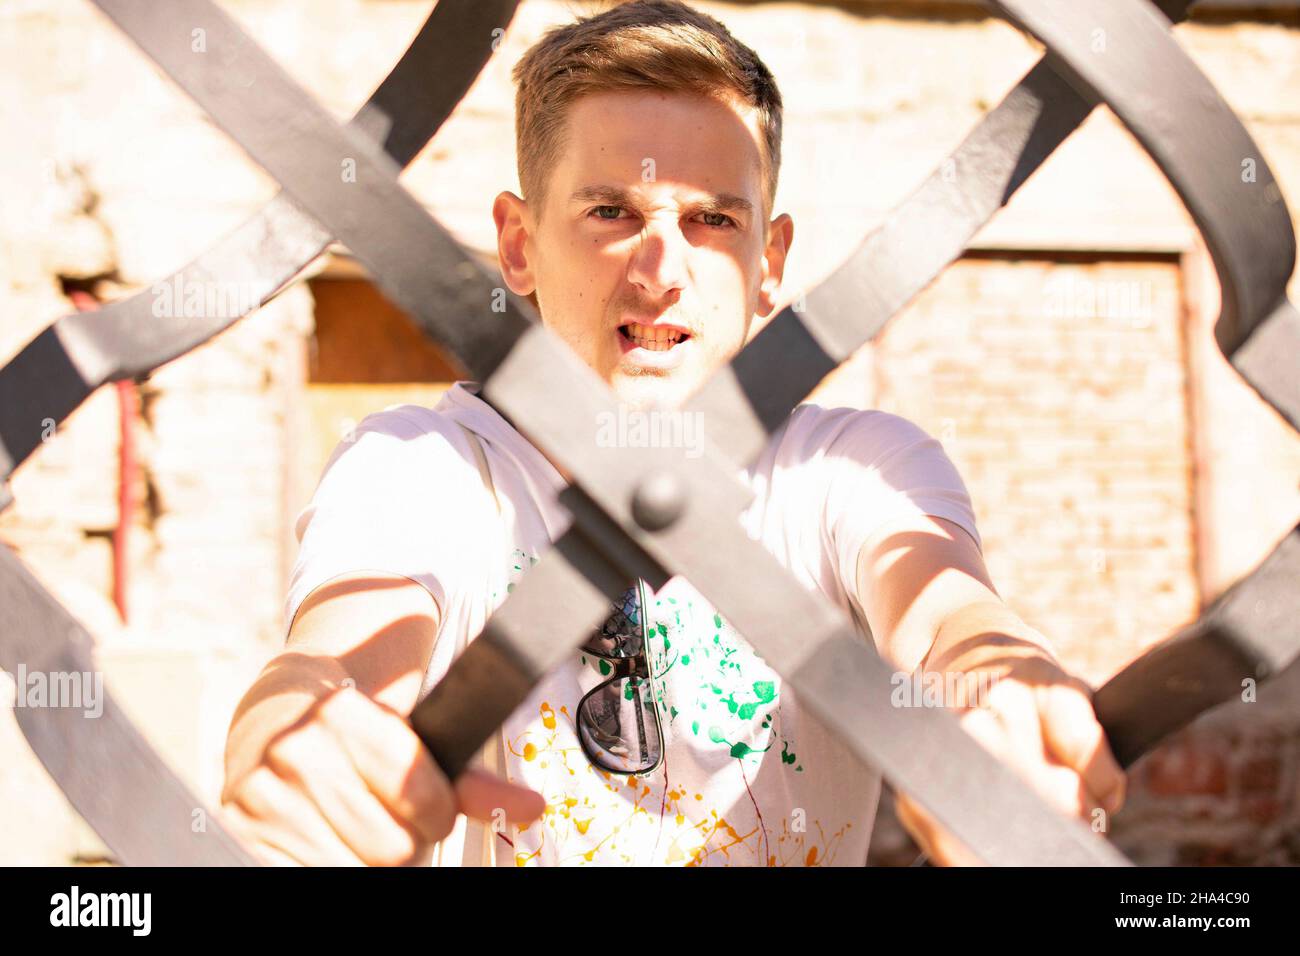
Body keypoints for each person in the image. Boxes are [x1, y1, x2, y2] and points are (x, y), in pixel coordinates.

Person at [220, 0, 1125, 867]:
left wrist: (989, 696)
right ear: (520, 242)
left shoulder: (852, 467)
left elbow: (944, 617)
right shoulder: (426, 465)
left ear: (769, 263)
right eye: (611, 213)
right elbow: (339, 652)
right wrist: (297, 733)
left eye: (711, 220)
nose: (660, 272)